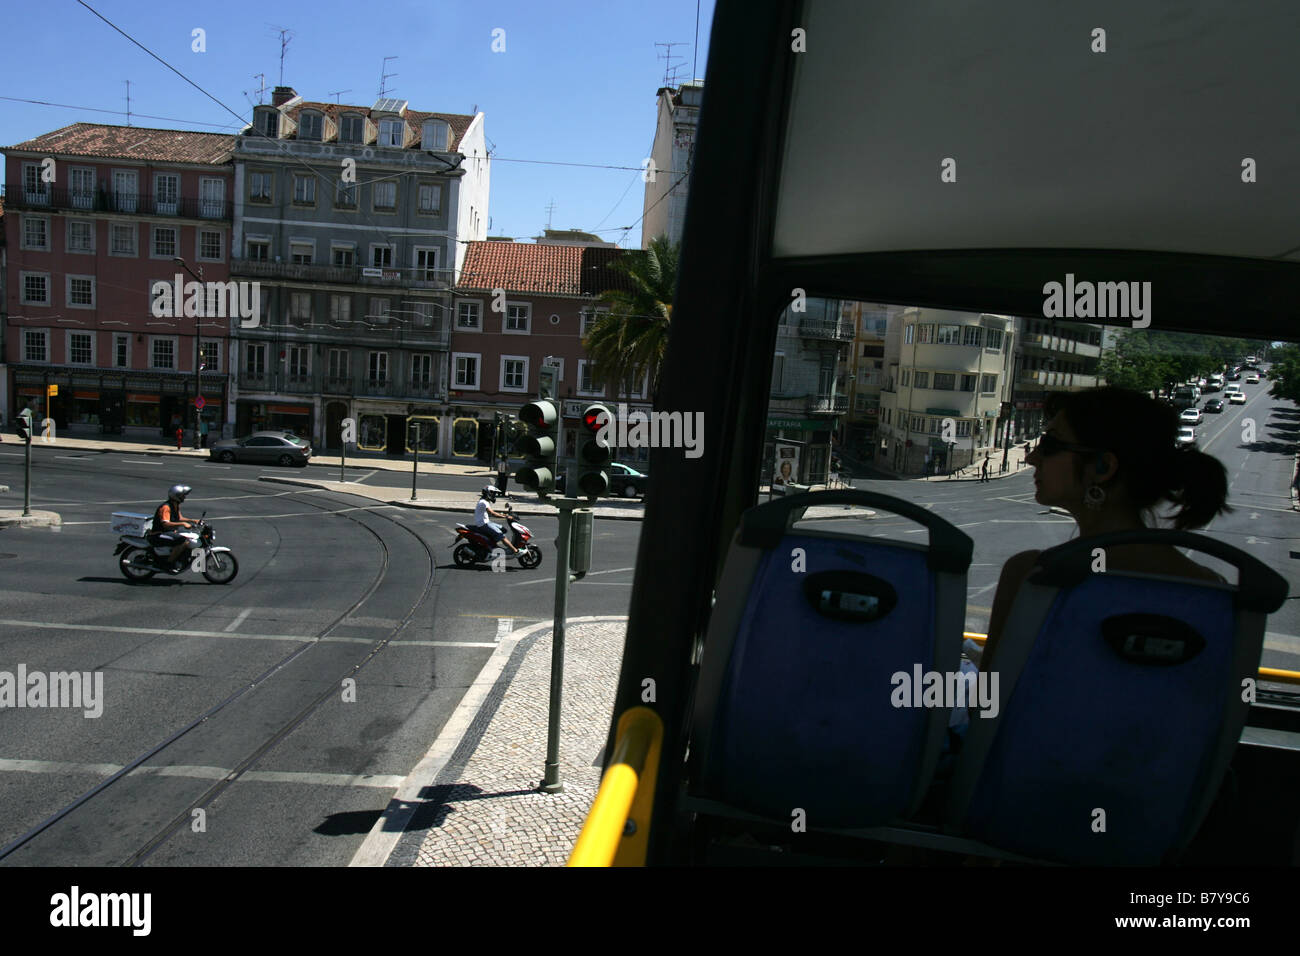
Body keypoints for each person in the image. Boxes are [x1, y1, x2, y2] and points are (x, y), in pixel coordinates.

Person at [980, 387, 1230, 672]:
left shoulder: (1031, 575)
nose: (1032, 457)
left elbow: (989, 706)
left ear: (1103, 467)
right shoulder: (1215, 593)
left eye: (1050, 444)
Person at [152, 484, 199, 570]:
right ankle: (168, 563)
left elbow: (180, 518)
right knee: (183, 541)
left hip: (168, 532)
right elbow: (165, 524)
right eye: (183, 495)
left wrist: (193, 520)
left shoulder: (175, 505)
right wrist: (183, 524)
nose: (184, 497)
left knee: (187, 537)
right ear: (176, 496)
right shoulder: (166, 507)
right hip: (158, 534)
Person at [474, 484, 519, 555]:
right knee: (501, 535)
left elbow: (491, 512)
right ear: (489, 493)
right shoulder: (484, 502)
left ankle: (493, 544)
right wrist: (506, 517)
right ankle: (515, 551)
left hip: (486, 522)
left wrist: (504, 514)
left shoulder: (484, 501)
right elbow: (492, 513)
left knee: (503, 529)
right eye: (494, 493)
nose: (494, 495)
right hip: (483, 524)